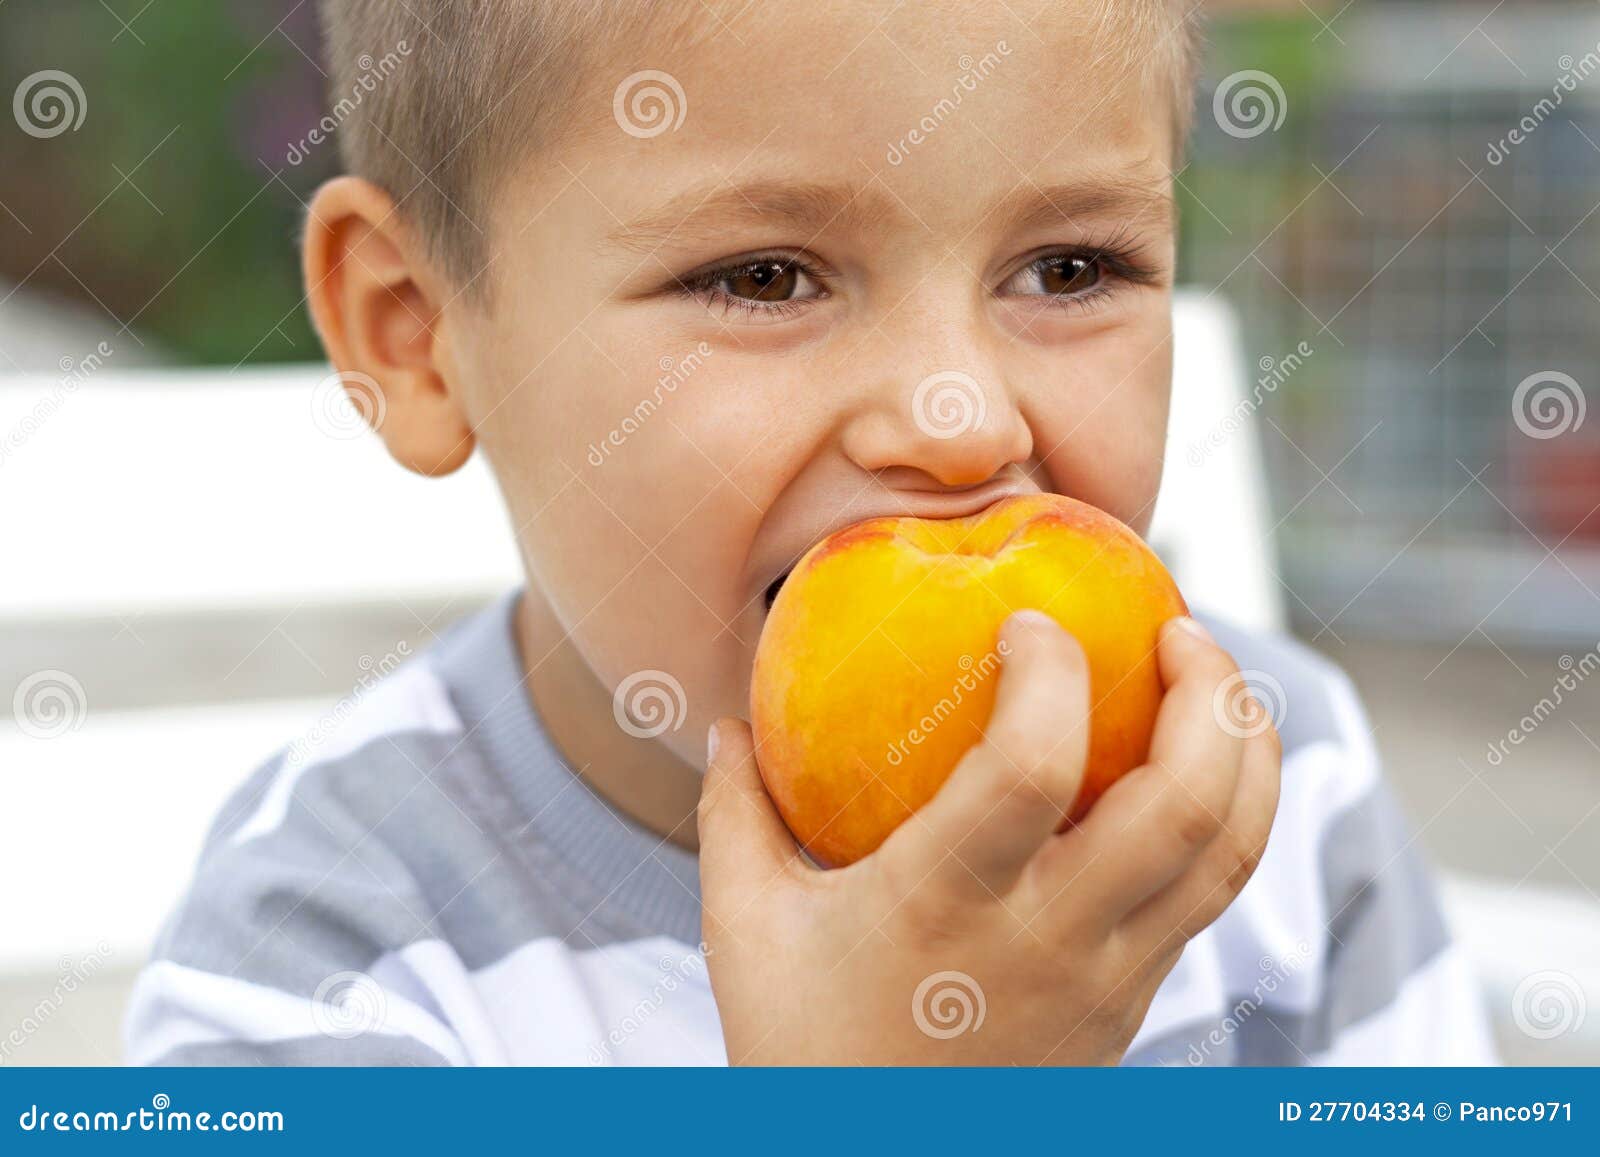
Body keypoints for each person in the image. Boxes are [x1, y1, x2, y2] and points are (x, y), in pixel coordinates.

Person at [125, 0, 1494, 1065]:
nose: (960, 418)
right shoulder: (327, 947)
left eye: (1070, 266)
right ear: (418, 337)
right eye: (764, 276)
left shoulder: (1280, 795)